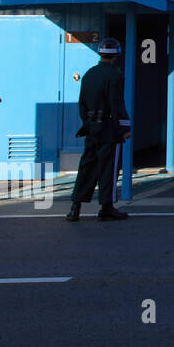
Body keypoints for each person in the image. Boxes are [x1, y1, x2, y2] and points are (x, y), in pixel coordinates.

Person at [66, 38, 132, 221]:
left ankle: (75, 207)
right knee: (108, 169)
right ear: (116, 54)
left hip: (92, 127)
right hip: (109, 129)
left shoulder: (89, 74)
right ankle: (107, 207)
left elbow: (82, 104)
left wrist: (88, 124)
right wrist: (124, 127)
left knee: (87, 167)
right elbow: (116, 103)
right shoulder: (115, 75)